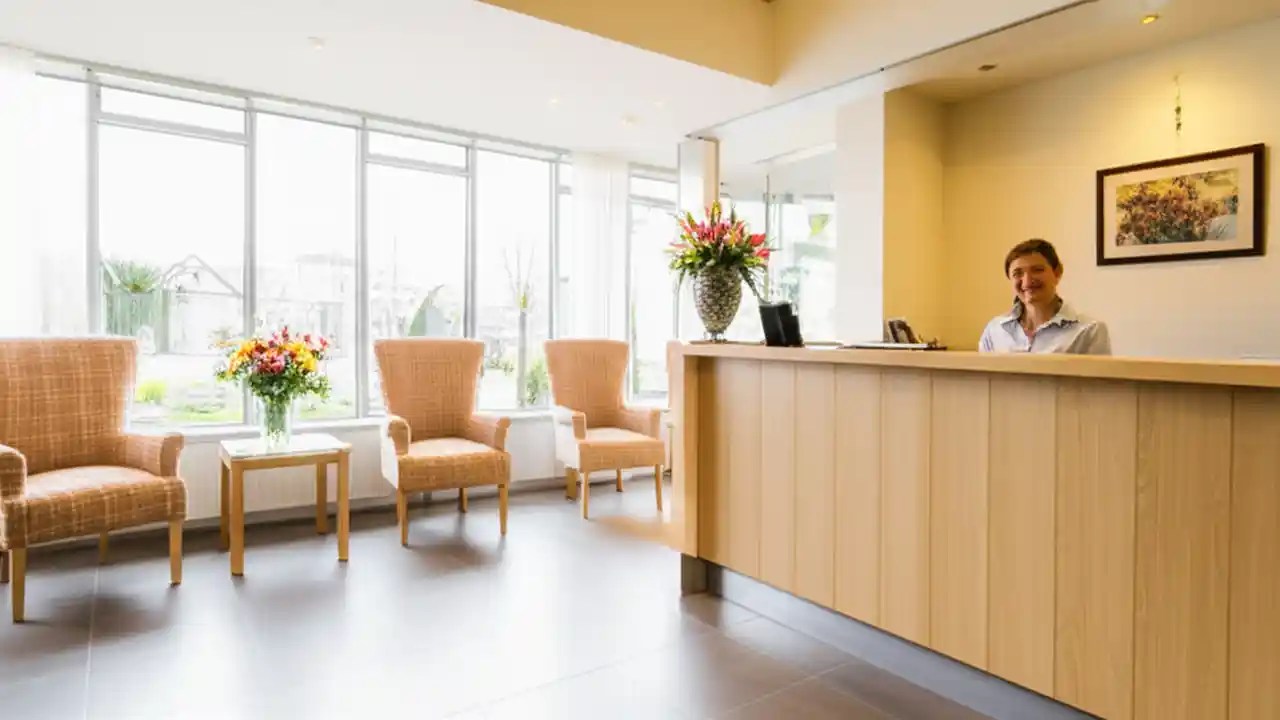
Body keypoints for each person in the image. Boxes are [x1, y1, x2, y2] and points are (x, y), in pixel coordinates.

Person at [978, 239, 1111, 355]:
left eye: (1037, 270)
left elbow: (1099, 384)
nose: (1027, 281)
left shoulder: (1089, 331)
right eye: (1017, 273)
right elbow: (983, 382)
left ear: (1057, 272)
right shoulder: (994, 330)